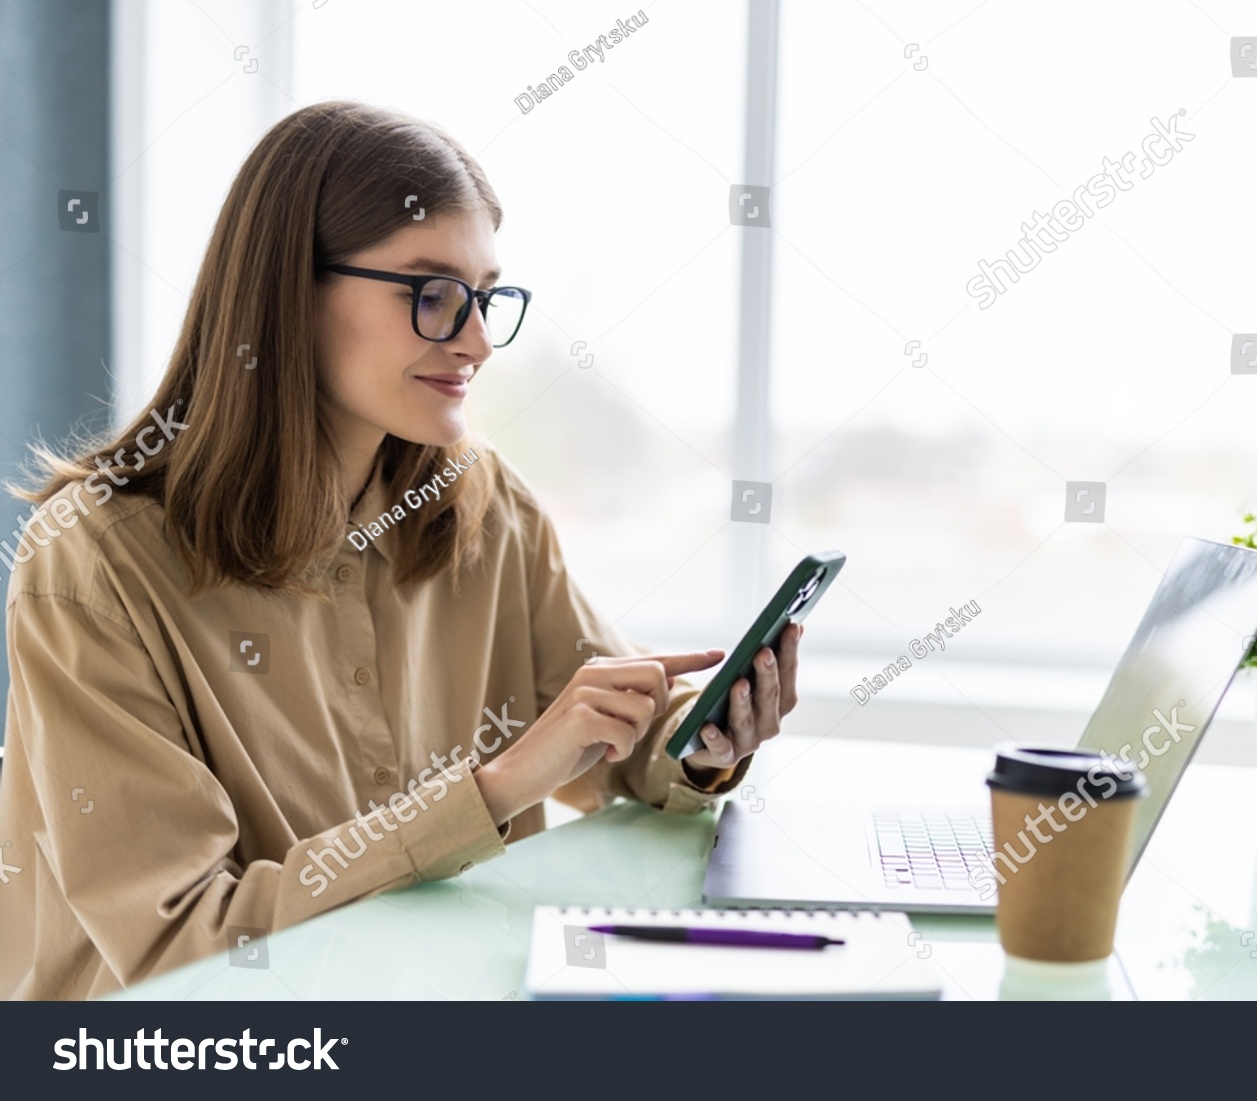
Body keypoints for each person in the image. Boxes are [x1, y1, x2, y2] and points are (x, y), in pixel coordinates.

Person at [0, 100, 801, 1000]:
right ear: (288, 291)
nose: (476, 340)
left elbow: (618, 742)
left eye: (486, 297)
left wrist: (698, 741)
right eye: (432, 294)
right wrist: (493, 790)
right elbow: (189, 941)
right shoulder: (92, 562)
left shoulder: (482, 505)